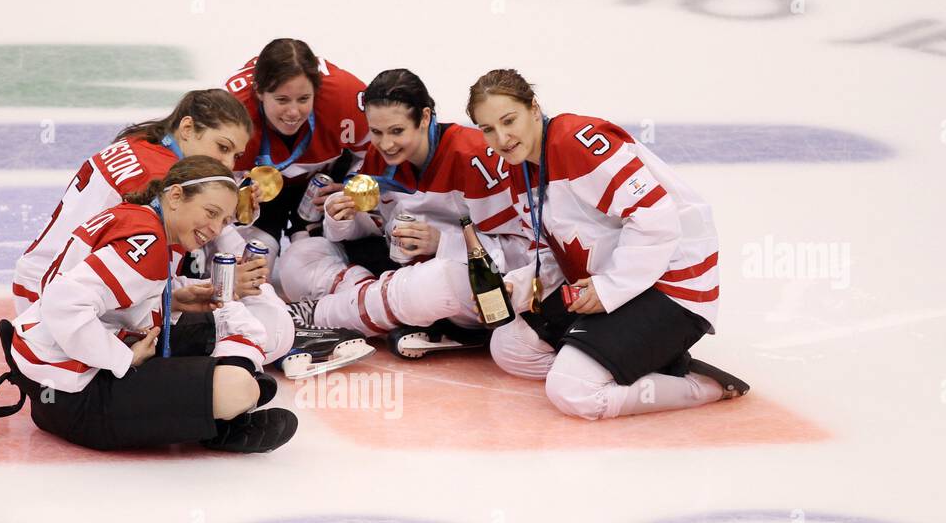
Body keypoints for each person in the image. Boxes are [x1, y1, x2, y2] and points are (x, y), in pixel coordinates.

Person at [466, 69, 749, 420]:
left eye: (509, 120)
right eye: (488, 129)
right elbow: (556, 252)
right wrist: (519, 286)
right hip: (615, 280)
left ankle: (695, 385)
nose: (502, 137)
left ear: (534, 109)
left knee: (571, 391)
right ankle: (628, 362)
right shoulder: (519, 168)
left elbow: (656, 217)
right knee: (510, 348)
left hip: (673, 283)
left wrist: (609, 288)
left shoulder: (575, 142)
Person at [0, 157, 298, 453]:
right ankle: (216, 425)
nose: (215, 229)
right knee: (239, 389)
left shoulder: (141, 217)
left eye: (225, 221)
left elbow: (97, 297)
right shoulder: (149, 243)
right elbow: (62, 303)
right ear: (175, 196)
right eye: (211, 212)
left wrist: (171, 300)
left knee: (221, 339)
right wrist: (123, 357)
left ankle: (210, 406)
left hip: (54, 376)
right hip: (74, 395)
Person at [11, 89, 295, 365]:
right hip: (62, 311)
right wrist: (223, 285)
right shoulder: (162, 179)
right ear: (187, 128)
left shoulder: (147, 144)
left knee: (232, 296)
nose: (227, 163)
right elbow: (148, 283)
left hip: (42, 288)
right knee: (268, 323)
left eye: (235, 156)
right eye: (222, 147)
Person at [279, 69, 524, 356]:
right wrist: (344, 218)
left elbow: (521, 252)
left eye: (397, 131)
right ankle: (387, 314)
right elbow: (379, 229)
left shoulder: (473, 157)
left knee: (436, 280)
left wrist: (442, 242)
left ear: (424, 117)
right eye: (376, 132)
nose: (385, 144)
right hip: (403, 275)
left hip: (470, 288)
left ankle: (316, 319)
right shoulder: (379, 157)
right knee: (300, 257)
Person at [224, 38, 370, 270]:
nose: (293, 112)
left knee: (314, 262)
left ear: (317, 91)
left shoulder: (346, 97)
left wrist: (352, 187)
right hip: (261, 192)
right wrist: (237, 199)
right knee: (251, 268)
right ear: (259, 92)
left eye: (304, 99)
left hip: (325, 184)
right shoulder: (229, 112)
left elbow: (381, 154)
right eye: (282, 99)